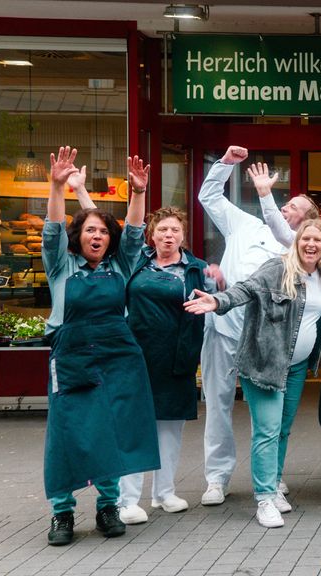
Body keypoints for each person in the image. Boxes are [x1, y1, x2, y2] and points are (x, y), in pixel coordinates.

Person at [41, 147, 158, 546]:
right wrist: (57, 186)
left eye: (104, 231)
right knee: (67, 434)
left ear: (111, 240)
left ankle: (109, 506)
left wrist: (138, 194)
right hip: (71, 357)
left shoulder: (120, 266)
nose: (97, 235)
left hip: (117, 359)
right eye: (90, 230)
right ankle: (62, 512)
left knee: (112, 429)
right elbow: (54, 226)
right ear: (80, 236)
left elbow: (136, 234)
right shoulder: (61, 265)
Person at [185, 219, 321, 528]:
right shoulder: (278, 268)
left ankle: (274, 485)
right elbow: (245, 289)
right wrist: (218, 301)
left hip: (296, 368)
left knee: (282, 429)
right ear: (296, 241)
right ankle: (264, 499)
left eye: (317, 240)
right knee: (266, 430)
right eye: (306, 238)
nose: (311, 244)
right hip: (265, 362)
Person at [198, 146, 293, 508]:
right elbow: (208, 196)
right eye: (286, 207)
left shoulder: (297, 245)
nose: (287, 212)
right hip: (223, 328)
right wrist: (225, 164)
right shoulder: (243, 223)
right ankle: (216, 478)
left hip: (262, 337)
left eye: (296, 211)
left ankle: (267, 478)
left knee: (264, 413)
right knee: (218, 404)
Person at [117, 207, 213, 525]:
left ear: (183, 235)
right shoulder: (135, 260)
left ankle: (164, 493)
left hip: (176, 358)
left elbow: (215, 303)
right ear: (152, 234)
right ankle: (127, 499)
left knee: (170, 430)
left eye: (174, 230)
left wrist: (219, 282)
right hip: (135, 357)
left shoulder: (197, 270)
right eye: (162, 230)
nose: (168, 235)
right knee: (133, 427)